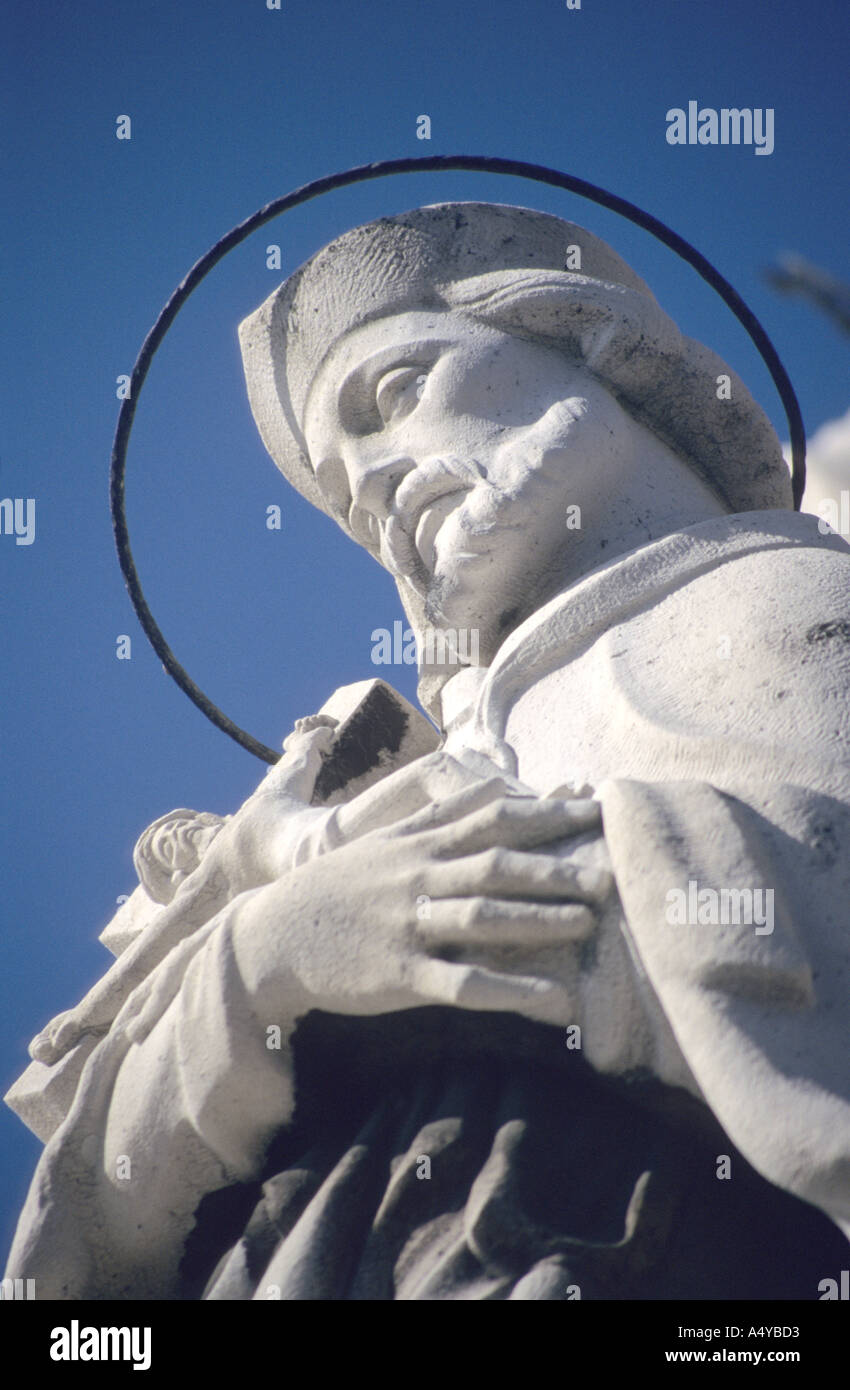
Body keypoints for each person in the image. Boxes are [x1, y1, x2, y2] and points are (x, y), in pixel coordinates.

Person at [5, 202, 849, 1300]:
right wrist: (273, 949)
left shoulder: (797, 606)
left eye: (396, 393)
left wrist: (540, 904)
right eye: (339, 483)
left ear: (584, 337)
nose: (366, 485)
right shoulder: (392, 776)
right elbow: (80, 1243)